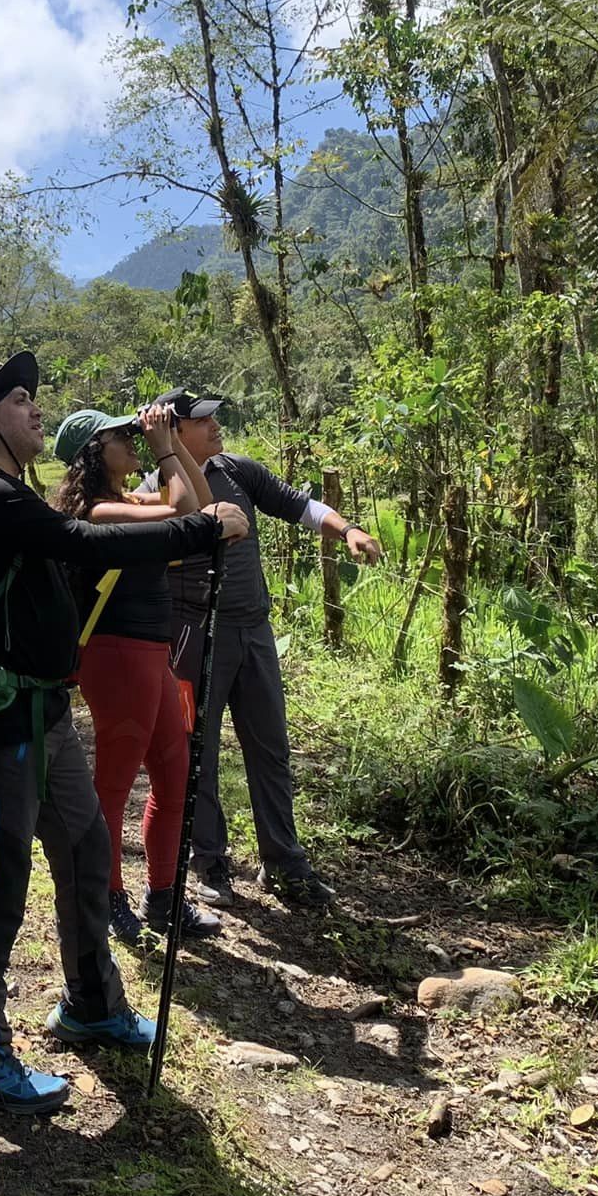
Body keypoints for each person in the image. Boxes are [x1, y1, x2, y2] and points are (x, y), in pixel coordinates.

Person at [0, 352, 249, 1115]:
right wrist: (199, 529)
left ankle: (92, 1002)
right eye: (21, 401)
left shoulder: (6, 490)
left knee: (85, 848)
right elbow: (87, 543)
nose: (37, 411)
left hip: (42, 712)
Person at [145, 387, 382, 911]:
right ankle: (207, 860)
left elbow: (298, 503)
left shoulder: (238, 470)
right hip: (194, 636)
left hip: (253, 629)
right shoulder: (161, 487)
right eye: (202, 420)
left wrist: (348, 529)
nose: (214, 426)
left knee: (270, 746)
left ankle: (285, 862)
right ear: (175, 429)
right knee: (196, 750)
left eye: (214, 417)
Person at [51, 403, 223, 945]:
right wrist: (166, 449)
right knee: (116, 782)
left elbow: (200, 509)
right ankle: (108, 896)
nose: (133, 439)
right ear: (93, 452)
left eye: (134, 431)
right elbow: (183, 515)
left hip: (153, 653)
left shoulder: (129, 500)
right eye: (120, 435)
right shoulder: (100, 513)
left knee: (176, 776)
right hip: (116, 654)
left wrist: (168, 443)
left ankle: (164, 896)